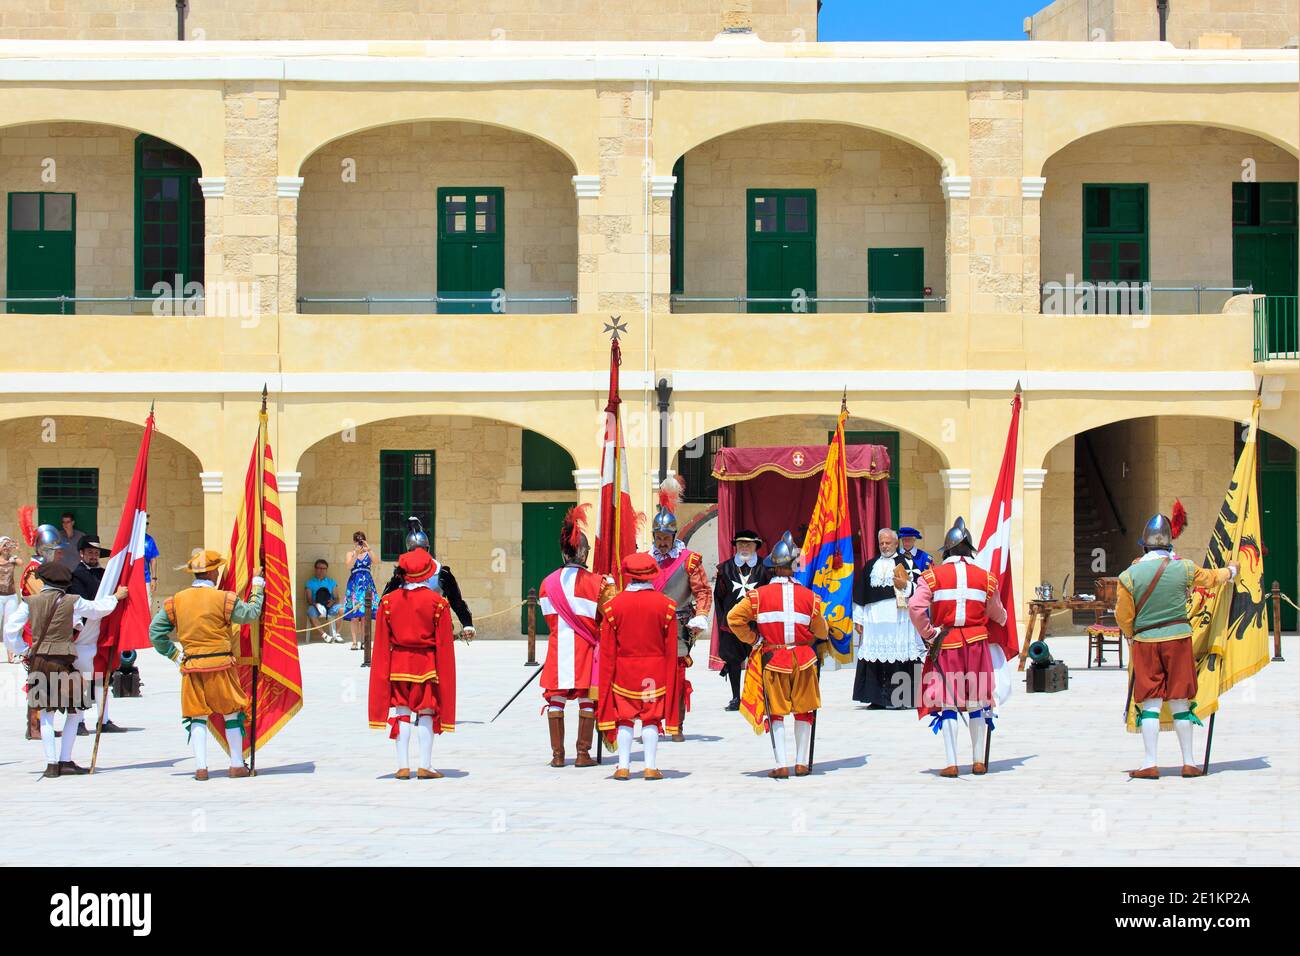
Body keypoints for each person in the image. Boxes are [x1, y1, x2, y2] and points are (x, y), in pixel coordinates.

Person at [1117, 514, 1237, 780]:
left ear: (1145, 546)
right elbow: (1210, 578)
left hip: (1146, 643)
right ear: (1169, 545)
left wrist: (1129, 635)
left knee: (1151, 703)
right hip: (1178, 641)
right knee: (1181, 700)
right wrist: (1231, 571)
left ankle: (1150, 762)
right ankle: (1189, 762)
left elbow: (1123, 616)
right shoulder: (1184, 568)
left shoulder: (1129, 575)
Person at [149, 549, 265, 781]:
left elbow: (155, 633)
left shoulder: (176, 601)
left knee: (197, 716)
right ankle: (235, 765)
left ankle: (201, 768)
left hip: (192, 667)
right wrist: (257, 585)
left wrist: (174, 655)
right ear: (212, 572)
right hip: (221, 665)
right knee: (232, 714)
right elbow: (251, 614)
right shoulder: (224, 598)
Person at [3, 562, 126, 777]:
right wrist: (115, 597)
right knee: (74, 712)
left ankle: (51, 765)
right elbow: (97, 610)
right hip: (63, 662)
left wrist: (24, 650)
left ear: (44, 580)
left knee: (47, 714)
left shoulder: (30, 602)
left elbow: (10, 630)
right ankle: (65, 760)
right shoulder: (72, 601)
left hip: (39, 661)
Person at [909, 517, 1006, 778]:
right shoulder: (986, 578)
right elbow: (997, 613)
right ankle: (977, 761)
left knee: (948, 703)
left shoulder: (931, 577)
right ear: (969, 551)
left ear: (948, 550)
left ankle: (951, 762)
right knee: (977, 702)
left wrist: (929, 633)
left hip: (947, 644)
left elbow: (916, 608)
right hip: (977, 645)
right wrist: (1004, 619)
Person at [727, 531, 830, 779]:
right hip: (804, 660)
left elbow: (734, 619)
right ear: (794, 567)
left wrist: (755, 639)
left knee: (777, 713)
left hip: (773, 660)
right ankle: (802, 763)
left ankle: (781, 763)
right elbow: (821, 630)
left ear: (773, 567)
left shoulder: (758, 596)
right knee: (804, 711)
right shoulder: (811, 598)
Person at [368, 548, 457, 779]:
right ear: (427, 573)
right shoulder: (438, 603)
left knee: (402, 713)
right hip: (426, 666)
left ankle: (403, 766)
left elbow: (380, 644)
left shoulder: (388, 601)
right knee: (426, 713)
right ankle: (425, 765)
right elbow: (444, 646)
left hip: (398, 666)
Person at [538, 505, 614, 767]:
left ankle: (557, 756)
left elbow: (549, 619)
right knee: (586, 700)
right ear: (583, 553)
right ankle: (582, 754)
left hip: (559, 649)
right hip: (586, 650)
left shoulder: (546, 583)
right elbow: (609, 617)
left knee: (556, 700)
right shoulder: (598, 583)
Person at [596, 552, 681, 781]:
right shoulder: (667, 606)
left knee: (625, 718)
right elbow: (671, 649)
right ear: (652, 575)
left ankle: (623, 767)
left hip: (624, 672)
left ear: (629, 575)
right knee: (651, 718)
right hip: (654, 673)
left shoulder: (613, 607)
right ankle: (650, 767)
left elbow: (607, 651)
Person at [647, 479, 710, 741]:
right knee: (650, 675)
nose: (662, 542)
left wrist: (701, 616)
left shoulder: (689, 561)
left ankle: (677, 726)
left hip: (679, 626)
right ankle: (652, 722)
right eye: (659, 538)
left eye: (666, 538)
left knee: (676, 676)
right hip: (649, 628)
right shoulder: (645, 560)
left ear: (674, 537)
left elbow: (703, 591)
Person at [852, 528, 925, 709]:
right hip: (875, 622)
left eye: (888, 543)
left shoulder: (907, 563)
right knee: (874, 658)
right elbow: (860, 593)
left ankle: (902, 698)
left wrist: (906, 585)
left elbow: (919, 589)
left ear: (896, 543)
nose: (885, 546)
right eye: (882, 543)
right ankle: (877, 698)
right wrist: (858, 619)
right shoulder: (870, 565)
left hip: (899, 622)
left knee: (900, 657)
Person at [67, 537, 126, 735]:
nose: (93, 555)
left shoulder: (104, 574)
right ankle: (80, 720)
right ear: (81, 553)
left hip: (103, 630)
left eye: (95, 552)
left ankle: (104, 719)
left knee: (102, 678)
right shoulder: (75, 576)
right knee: (81, 678)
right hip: (83, 632)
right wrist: (112, 599)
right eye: (89, 552)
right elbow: (85, 606)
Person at [382, 517, 475, 640]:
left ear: (427, 549)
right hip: (407, 629)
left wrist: (467, 624)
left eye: (421, 550)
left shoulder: (441, 572)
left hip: (435, 627)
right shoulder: (401, 573)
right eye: (414, 551)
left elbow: (456, 601)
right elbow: (386, 600)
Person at [712, 529, 768, 711]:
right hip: (731, 625)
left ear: (756, 546)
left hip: (757, 624)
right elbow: (719, 597)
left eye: (748, 543)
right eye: (740, 543)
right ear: (735, 546)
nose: (744, 547)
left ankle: (760, 696)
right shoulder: (724, 569)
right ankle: (736, 697)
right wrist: (723, 623)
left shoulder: (765, 568)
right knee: (733, 661)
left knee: (760, 659)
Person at [342, 531, 379, 650]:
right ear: (354, 542)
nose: (360, 542)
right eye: (357, 540)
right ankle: (354, 642)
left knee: (365, 615)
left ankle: (364, 641)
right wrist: (356, 554)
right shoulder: (350, 553)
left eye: (361, 540)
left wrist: (369, 549)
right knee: (354, 615)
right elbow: (348, 566)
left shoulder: (368, 553)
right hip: (354, 585)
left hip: (367, 585)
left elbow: (376, 561)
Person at [304, 558, 344, 643]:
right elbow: (309, 600)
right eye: (319, 568)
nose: (321, 571)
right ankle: (324, 635)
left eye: (324, 568)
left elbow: (337, 598)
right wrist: (316, 605)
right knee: (310, 611)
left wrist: (332, 602)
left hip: (330, 606)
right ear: (315, 569)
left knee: (341, 609)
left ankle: (337, 634)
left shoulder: (331, 582)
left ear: (326, 570)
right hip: (316, 607)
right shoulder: (310, 583)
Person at [1, 535, 20, 664]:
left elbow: (21, 562)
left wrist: (16, 550)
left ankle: (11, 655)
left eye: (9, 544)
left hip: (11, 596)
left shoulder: (13, 559)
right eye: (4, 545)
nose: (7, 547)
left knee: (10, 626)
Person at [143, 515, 159, 604]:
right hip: (132, 580)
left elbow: (153, 560)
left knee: (148, 605)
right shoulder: (131, 539)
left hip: (146, 579)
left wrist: (154, 579)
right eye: (144, 523)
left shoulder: (149, 540)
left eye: (147, 523)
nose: (146, 526)